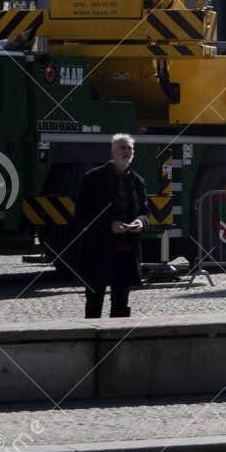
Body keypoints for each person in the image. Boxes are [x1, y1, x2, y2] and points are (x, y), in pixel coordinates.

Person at [73, 133, 150, 319]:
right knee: (94, 302)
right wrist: (109, 225)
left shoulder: (137, 181)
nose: (126, 151)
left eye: (129, 148)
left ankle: (119, 336)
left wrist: (141, 222)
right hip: (98, 251)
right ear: (112, 151)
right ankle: (92, 334)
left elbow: (145, 212)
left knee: (121, 304)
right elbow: (82, 214)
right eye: (122, 148)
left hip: (126, 252)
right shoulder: (93, 178)